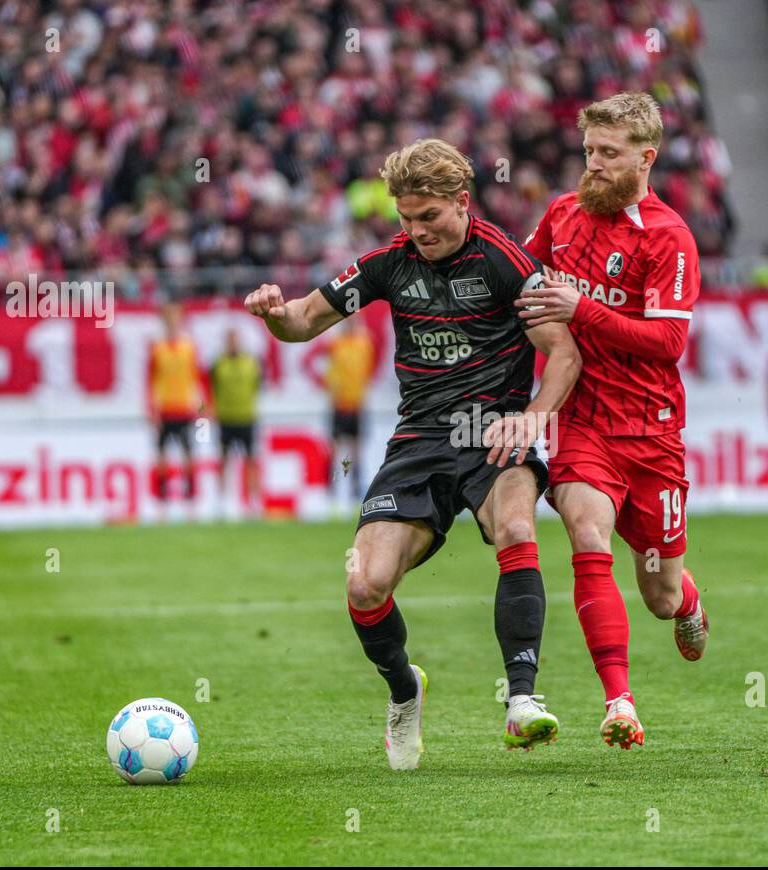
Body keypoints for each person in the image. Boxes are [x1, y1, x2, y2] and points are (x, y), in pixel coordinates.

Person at [244, 139, 582, 770]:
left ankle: (522, 700)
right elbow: (302, 320)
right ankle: (405, 690)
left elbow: (563, 353)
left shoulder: (507, 263)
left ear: (462, 202)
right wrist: (272, 312)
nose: (417, 230)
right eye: (406, 218)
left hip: (493, 431)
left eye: (429, 217)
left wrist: (532, 419)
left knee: (514, 525)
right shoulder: (385, 265)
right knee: (366, 585)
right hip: (419, 438)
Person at [516, 92, 710, 750]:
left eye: (608, 153)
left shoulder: (668, 237)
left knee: (658, 592)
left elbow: (666, 345)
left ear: (645, 158)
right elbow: (518, 275)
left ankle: (688, 601)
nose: (592, 164)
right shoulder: (562, 215)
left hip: (652, 432)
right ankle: (619, 702)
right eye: (588, 151)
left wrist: (579, 308)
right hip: (584, 424)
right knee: (586, 536)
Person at [148, 302, 206, 505]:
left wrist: (202, 409)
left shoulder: (189, 347)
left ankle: (190, 494)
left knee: (188, 452)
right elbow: (151, 380)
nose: (172, 322)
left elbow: (198, 379)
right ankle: (162, 495)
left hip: (184, 407)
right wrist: (152, 410)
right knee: (162, 453)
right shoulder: (157, 347)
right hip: (165, 408)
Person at [323, 314, 376, 508]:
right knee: (337, 448)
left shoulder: (364, 342)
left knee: (355, 449)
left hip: (357, 403)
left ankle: (353, 488)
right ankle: (334, 487)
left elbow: (365, 371)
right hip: (340, 403)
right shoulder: (337, 343)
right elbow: (332, 371)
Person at [210, 328, 261, 514]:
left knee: (250, 461)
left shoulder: (250, 362)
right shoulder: (218, 363)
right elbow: (212, 388)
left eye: (235, 339)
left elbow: (257, 385)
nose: (232, 343)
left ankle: (253, 502)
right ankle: (222, 501)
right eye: (229, 340)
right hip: (226, 418)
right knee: (224, 461)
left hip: (246, 417)